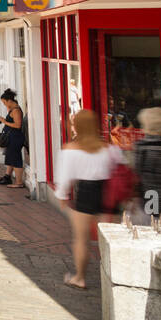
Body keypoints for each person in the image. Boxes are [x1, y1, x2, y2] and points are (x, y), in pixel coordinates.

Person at [54, 109, 123, 289]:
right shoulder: (110, 149)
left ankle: (80, 278)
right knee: (111, 240)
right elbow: (122, 170)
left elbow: (65, 177)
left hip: (85, 193)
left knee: (81, 239)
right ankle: (118, 278)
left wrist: (62, 195)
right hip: (108, 195)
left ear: (77, 126)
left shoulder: (70, 150)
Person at [0, 89, 26, 188]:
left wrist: (4, 121)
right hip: (11, 138)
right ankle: (7, 177)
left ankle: (19, 183)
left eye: (4, 102)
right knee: (11, 158)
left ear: (9, 101)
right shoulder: (12, 109)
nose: (4, 104)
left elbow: (18, 125)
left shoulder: (16, 110)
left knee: (15, 159)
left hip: (15, 138)